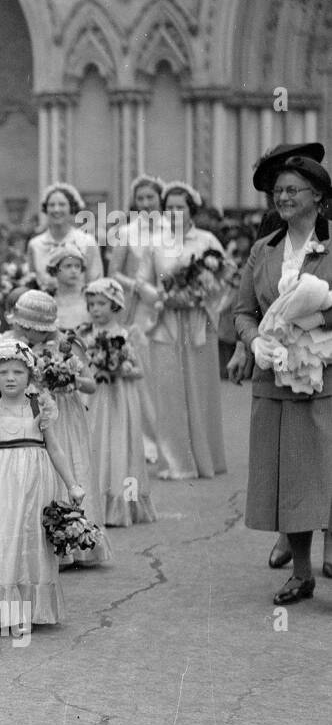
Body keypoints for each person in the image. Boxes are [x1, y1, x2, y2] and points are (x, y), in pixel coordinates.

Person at [231, 148, 332, 605]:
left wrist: (315, 326)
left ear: (317, 195)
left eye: (293, 190)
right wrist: (254, 342)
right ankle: (302, 573)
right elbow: (242, 309)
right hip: (276, 379)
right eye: (278, 192)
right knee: (290, 476)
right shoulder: (263, 249)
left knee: (327, 471)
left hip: (326, 375)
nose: (283, 198)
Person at [0, 340, 83, 630]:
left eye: (17, 372)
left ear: (30, 375)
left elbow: (56, 448)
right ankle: (0, 611)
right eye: (3, 373)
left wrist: (73, 484)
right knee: (0, 539)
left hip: (35, 483)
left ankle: (28, 609)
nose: (10, 378)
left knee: (30, 539)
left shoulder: (40, 405)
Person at [2, 290, 110, 566]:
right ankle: (41, 547)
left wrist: (68, 379)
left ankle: (76, 541)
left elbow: (91, 383)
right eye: (22, 326)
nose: (24, 332)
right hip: (31, 414)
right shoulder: (8, 342)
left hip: (66, 415)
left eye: (31, 329)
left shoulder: (64, 343)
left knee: (70, 468)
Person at [140, 180, 231, 480]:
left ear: (192, 209)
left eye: (181, 207)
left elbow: (225, 280)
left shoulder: (206, 241)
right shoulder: (155, 242)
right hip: (165, 325)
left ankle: (207, 460)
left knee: (201, 391)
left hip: (198, 324)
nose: (175, 212)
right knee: (168, 394)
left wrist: (200, 296)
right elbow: (142, 282)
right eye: (170, 208)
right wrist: (162, 297)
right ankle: (176, 462)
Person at [78, 278, 156, 526]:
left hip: (119, 399)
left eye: (101, 303)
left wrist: (119, 368)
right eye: (91, 304)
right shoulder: (84, 334)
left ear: (115, 305)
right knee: (95, 444)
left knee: (119, 445)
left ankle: (121, 505)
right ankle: (95, 503)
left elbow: (139, 371)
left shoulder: (125, 335)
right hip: (94, 397)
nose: (95, 309)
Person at [108, 173, 165, 464]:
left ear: (160, 199)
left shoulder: (173, 230)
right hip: (137, 311)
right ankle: (148, 442)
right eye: (140, 198)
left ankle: (173, 438)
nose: (145, 203)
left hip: (167, 309)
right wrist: (136, 287)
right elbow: (113, 271)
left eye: (150, 197)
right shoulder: (127, 232)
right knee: (144, 376)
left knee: (167, 375)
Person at [27, 182, 103, 284]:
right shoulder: (35, 244)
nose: (56, 209)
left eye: (62, 205)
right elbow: (31, 281)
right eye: (51, 205)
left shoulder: (87, 242)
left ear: (71, 208)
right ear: (46, 209)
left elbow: (96, 282)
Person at [46, 241, 89, 330]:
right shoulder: (48, 299)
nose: (74, 271)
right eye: (68, 266)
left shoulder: (89, 296)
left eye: (77, 266)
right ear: (55, 270)